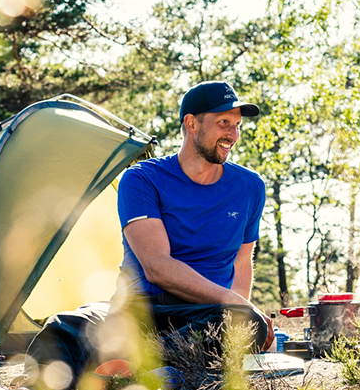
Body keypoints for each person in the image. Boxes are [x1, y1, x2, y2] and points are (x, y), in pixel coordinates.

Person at [117, 80, 275, 350]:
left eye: (237, 125)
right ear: (191, 124)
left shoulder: (250, 187)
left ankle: (143, 361)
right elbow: (157, 268)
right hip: (145, 308)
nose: (233, 135)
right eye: (224, 122)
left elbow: (242, 262)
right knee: (66, 325)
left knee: (247, 325)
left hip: (207, 314)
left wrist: (240, 309)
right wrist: (234, 302)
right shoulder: (141, 179)